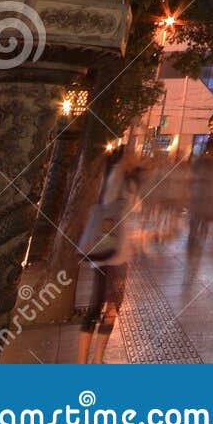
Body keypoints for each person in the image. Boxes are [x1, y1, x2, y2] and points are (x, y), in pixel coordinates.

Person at [74, 149, 140, 363]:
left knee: (104, 306)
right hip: (112, 255)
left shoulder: (119, 179)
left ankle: (91, 360)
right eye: (131, 156)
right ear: (122, 161)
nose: (135, 158)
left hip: (109, 253)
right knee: (104, 306)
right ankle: (88, 360)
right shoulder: (116, 179)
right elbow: (115, 206)